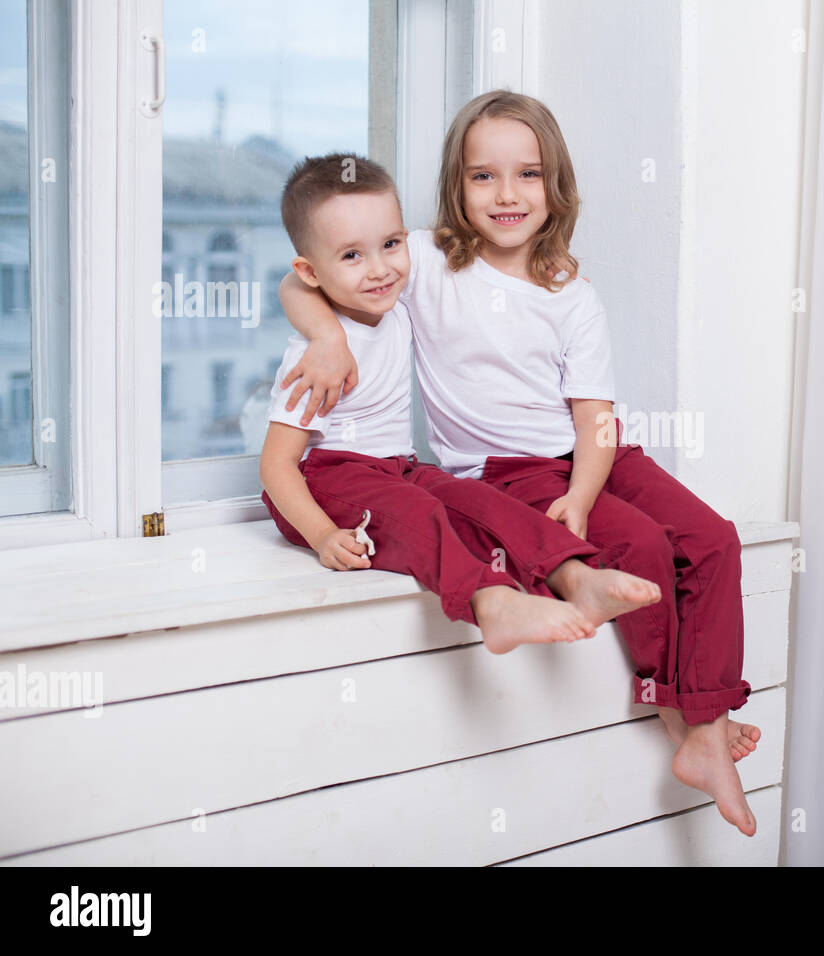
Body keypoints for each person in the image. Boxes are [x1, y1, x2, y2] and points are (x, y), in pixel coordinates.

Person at [277, 94, 761, 837]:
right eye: (483, 177)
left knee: (714, 537)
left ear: (555, 184)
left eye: (528, 174)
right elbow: (309, 274)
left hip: (588, 453)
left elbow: (596, 418)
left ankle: (705, 716)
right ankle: (684, 717)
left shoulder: (573, 292)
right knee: (639, 545)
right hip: (506, 468)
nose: (507, 195)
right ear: (455, 187)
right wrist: (325, 338)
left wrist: (585, 489)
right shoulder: (424, 259)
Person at [259, 152, 660, 656]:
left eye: (390, 244)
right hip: (329, 479)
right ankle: (492, 604)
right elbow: (276, 465)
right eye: (352, 256)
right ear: (311, 271)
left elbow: (302, 284)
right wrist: (320, 535)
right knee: (423, 515)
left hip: (397, 469)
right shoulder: (318, 354)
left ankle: (573, 575)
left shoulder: (395, 307)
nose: (381, 269)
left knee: (485, 504)